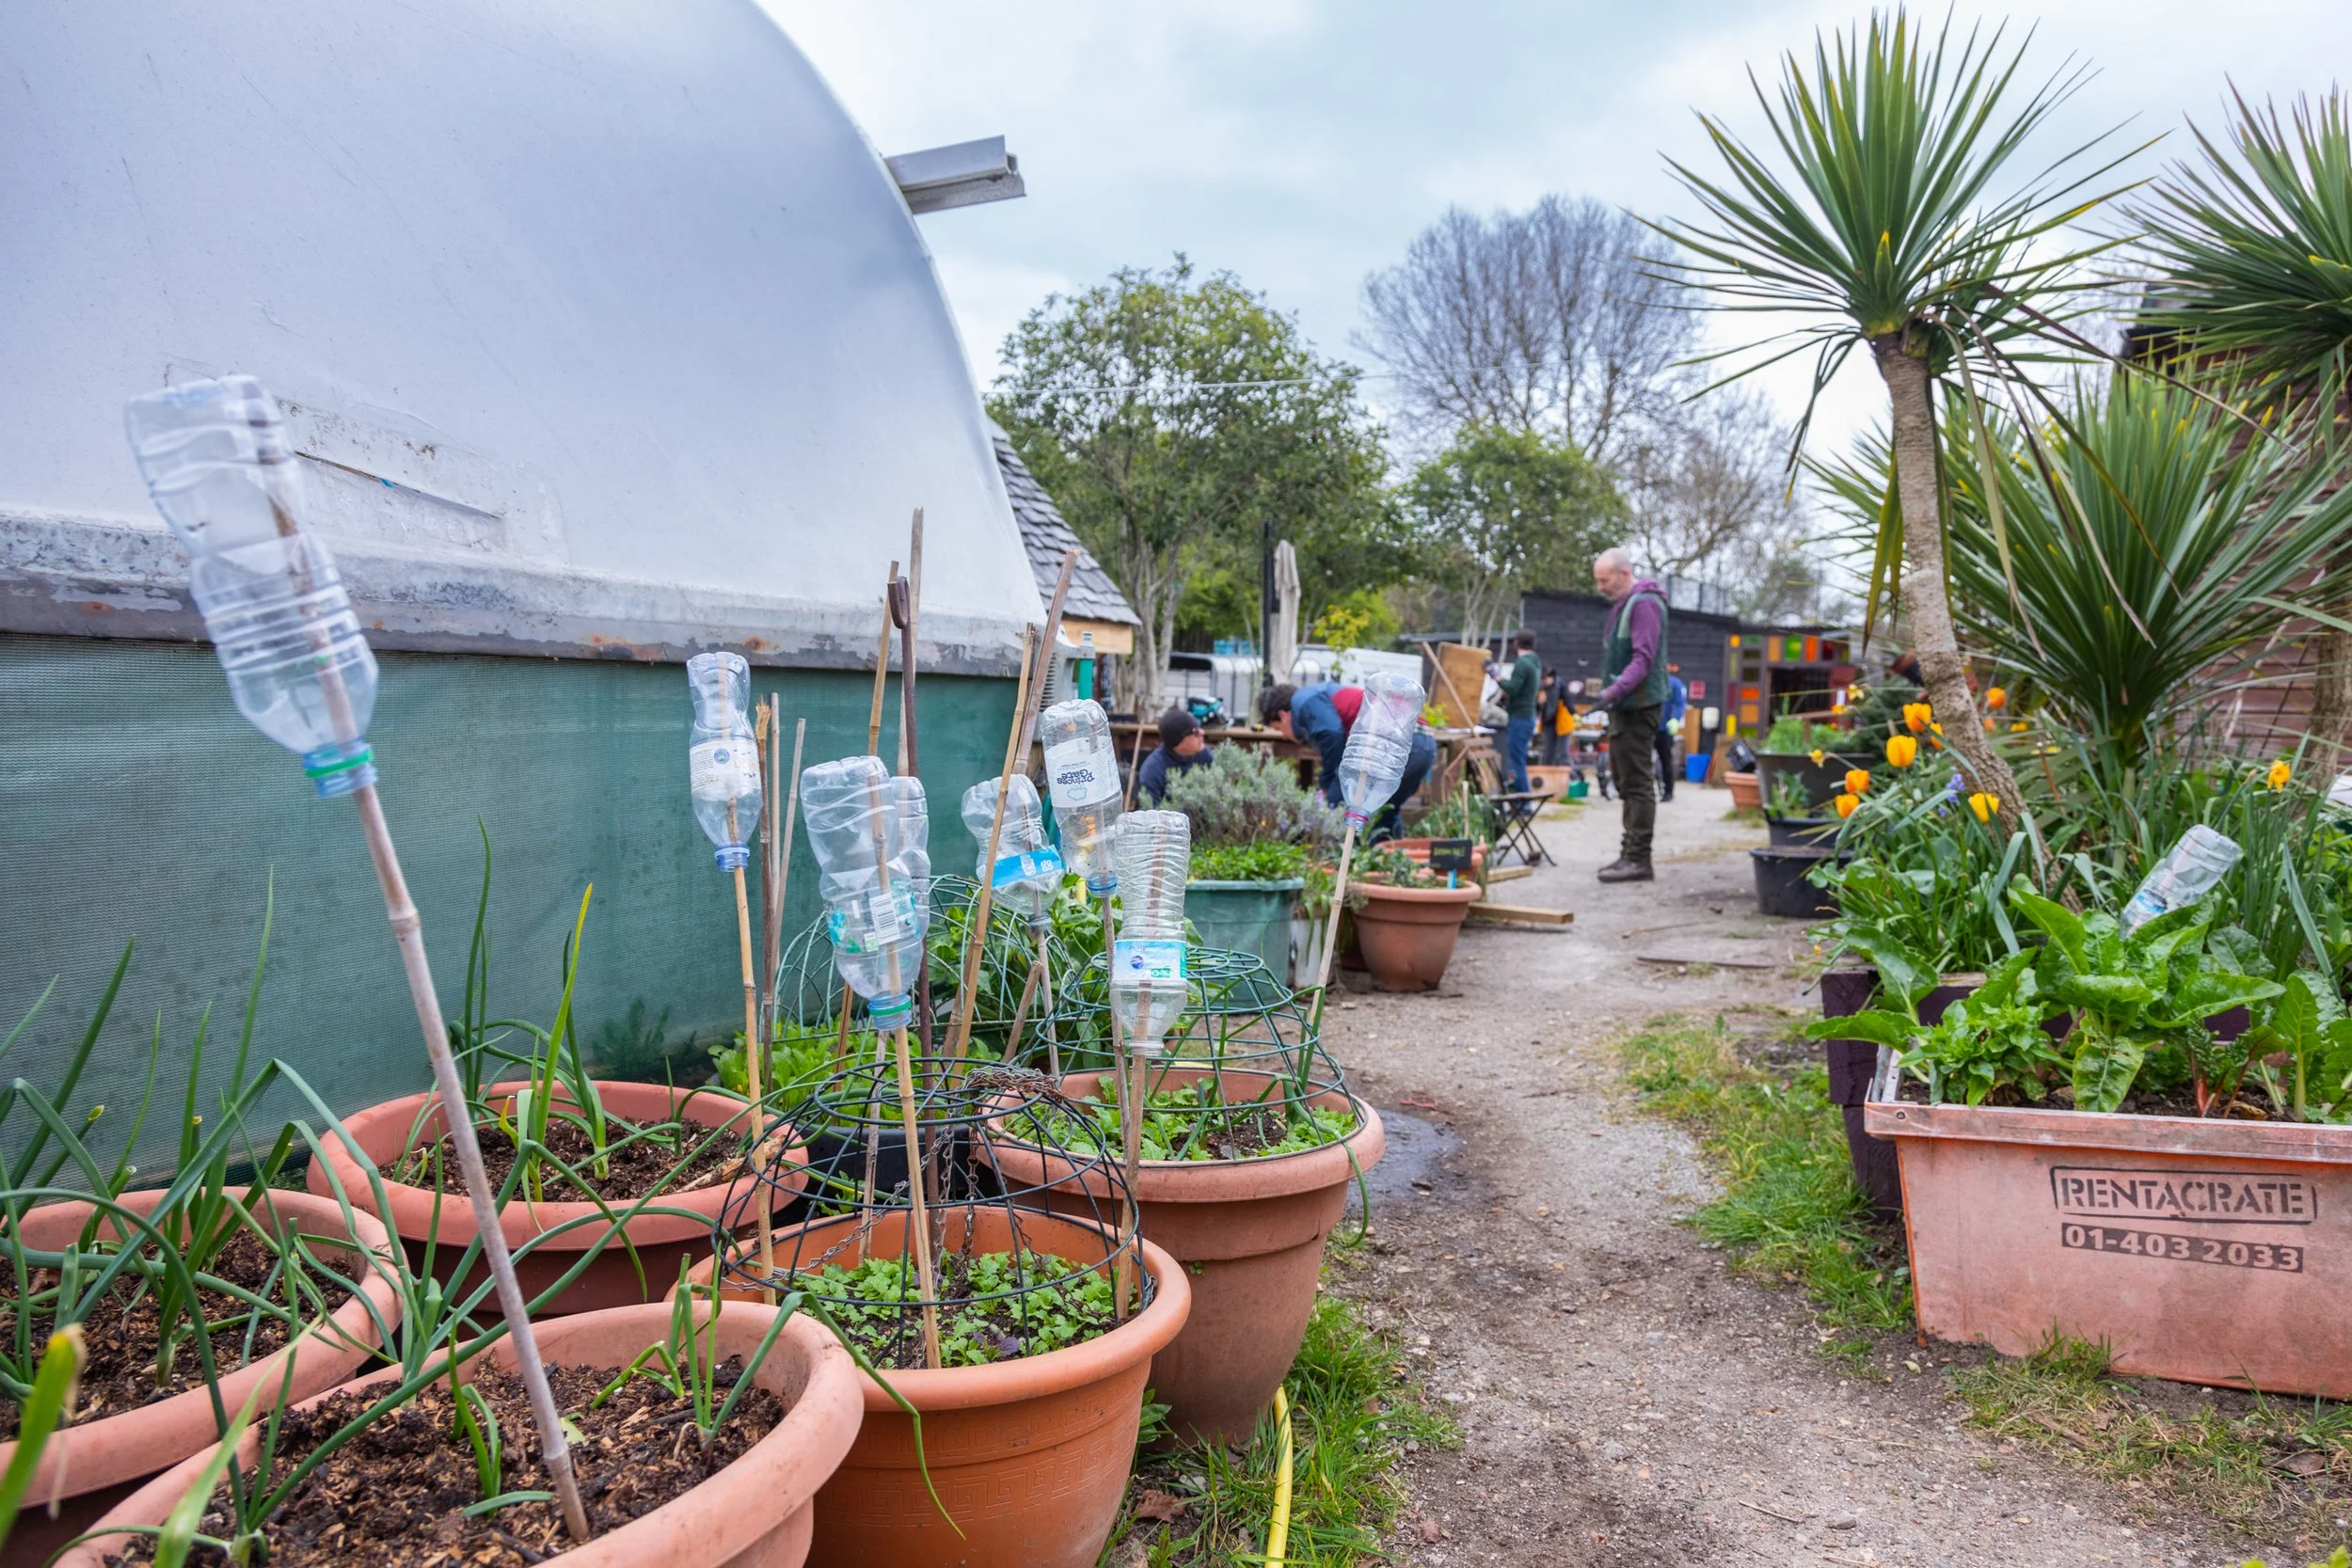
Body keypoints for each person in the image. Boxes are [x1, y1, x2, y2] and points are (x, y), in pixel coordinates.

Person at [1257, 680, 1437, 840]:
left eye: (1278, 728)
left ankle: (1347, 863)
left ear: (1283, 715)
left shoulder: (1304, 701)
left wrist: (1327, 788)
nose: (1284, 735)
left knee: (1353, 810)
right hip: (1423, 742)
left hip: (1398, 744)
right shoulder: (1319, 694)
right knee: (1384, 809)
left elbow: (1332, 734)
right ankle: (1383, 866)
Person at [1591, 547, 1670, 883]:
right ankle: (1629, 855)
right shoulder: (1628, 605)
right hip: (1626, 707)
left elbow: (1643, 660)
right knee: (1624, 780)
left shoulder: (1645, 604)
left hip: (1638, 707)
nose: (1600, 588)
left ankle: (1638, 859)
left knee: (1637, 783)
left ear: (1625, 574)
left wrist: (1612, 692)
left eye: (1604, 580)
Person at [1493, 629, 1540, 792]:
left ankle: (1523, 802)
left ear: (1515, 643)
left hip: (1520, 717)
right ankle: (1523, 800)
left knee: (1516, 761)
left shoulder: (1522, 663)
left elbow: (1513, 688)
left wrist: (1495, 675)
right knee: (1520, 759)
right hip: (1529, 716)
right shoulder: (1535, 661)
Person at [1135, 706, 1214, 803]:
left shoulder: (1205, 755)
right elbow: (1149, 810)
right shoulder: (1152, 771)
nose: (1202, 732)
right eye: (1195, 731)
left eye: (1199, 727)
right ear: (1178, 743)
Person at [1655, 664, 1688, 803]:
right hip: (1647, 727)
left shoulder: (1674, 683)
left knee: (1665, 759)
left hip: (1664, 728)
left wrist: (1675, 718)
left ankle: (1668, 790)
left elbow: (1680, 703)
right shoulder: (1648, 682)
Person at [1537, 668, 1570, 768]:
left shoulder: (1559, 687)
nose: (1543, 681)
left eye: (1545, 679)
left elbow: (1567, 704)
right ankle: (1549, 774)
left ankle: (1573, 776)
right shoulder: (1542, 689)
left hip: (1562, 724)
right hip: (1549, 723)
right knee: (1548, 752)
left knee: (1562, 753)